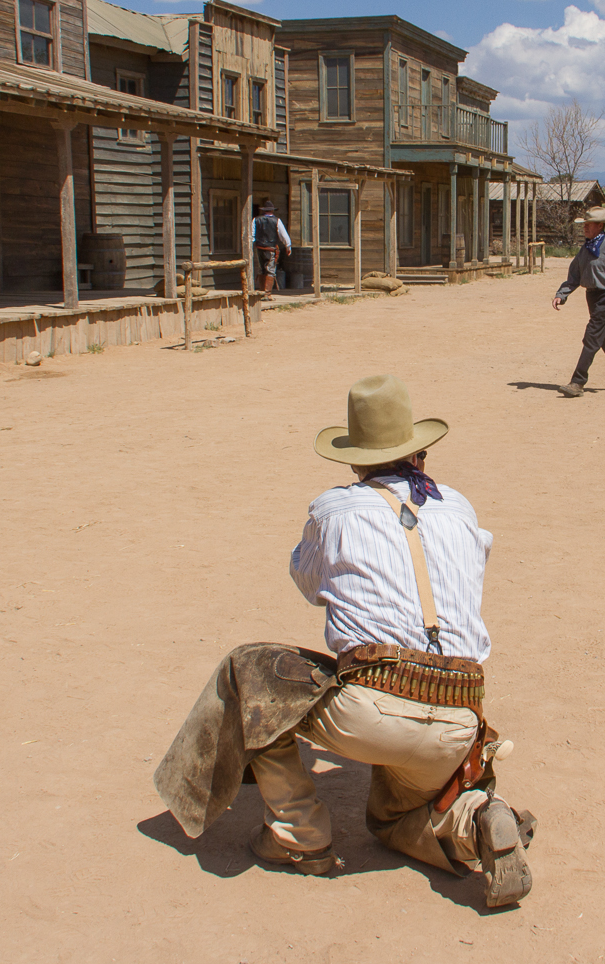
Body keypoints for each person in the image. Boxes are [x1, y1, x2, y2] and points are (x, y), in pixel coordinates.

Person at [154, 375, 535, 908]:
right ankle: (475, 821)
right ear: (419, 452)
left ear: (353, 460)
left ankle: (298, 836)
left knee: (252, 671)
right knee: (393, 817)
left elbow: (309, 583)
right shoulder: (459, 507)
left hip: (370, 706)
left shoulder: (333, 508)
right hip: (460, 717)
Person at [550, 205, 605, 397]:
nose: (585, 228)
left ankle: (577, 381)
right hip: (592, 296)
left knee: (592, 335)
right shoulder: (587, 248)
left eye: (589, 225)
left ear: (599, 226)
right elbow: (575, 274)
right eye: (584, 225)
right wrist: (561, 294)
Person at [251, 199, 291, 295]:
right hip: (270, 248)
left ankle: (262, 291)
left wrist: (251, 247)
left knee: (262, 268)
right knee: (270, 270)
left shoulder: (256, 220)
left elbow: (251, 235)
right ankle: (267, 293)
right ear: (272, 210)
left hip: (259, 248)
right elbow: (283, 235)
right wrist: (288, 246)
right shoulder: (276, 221)